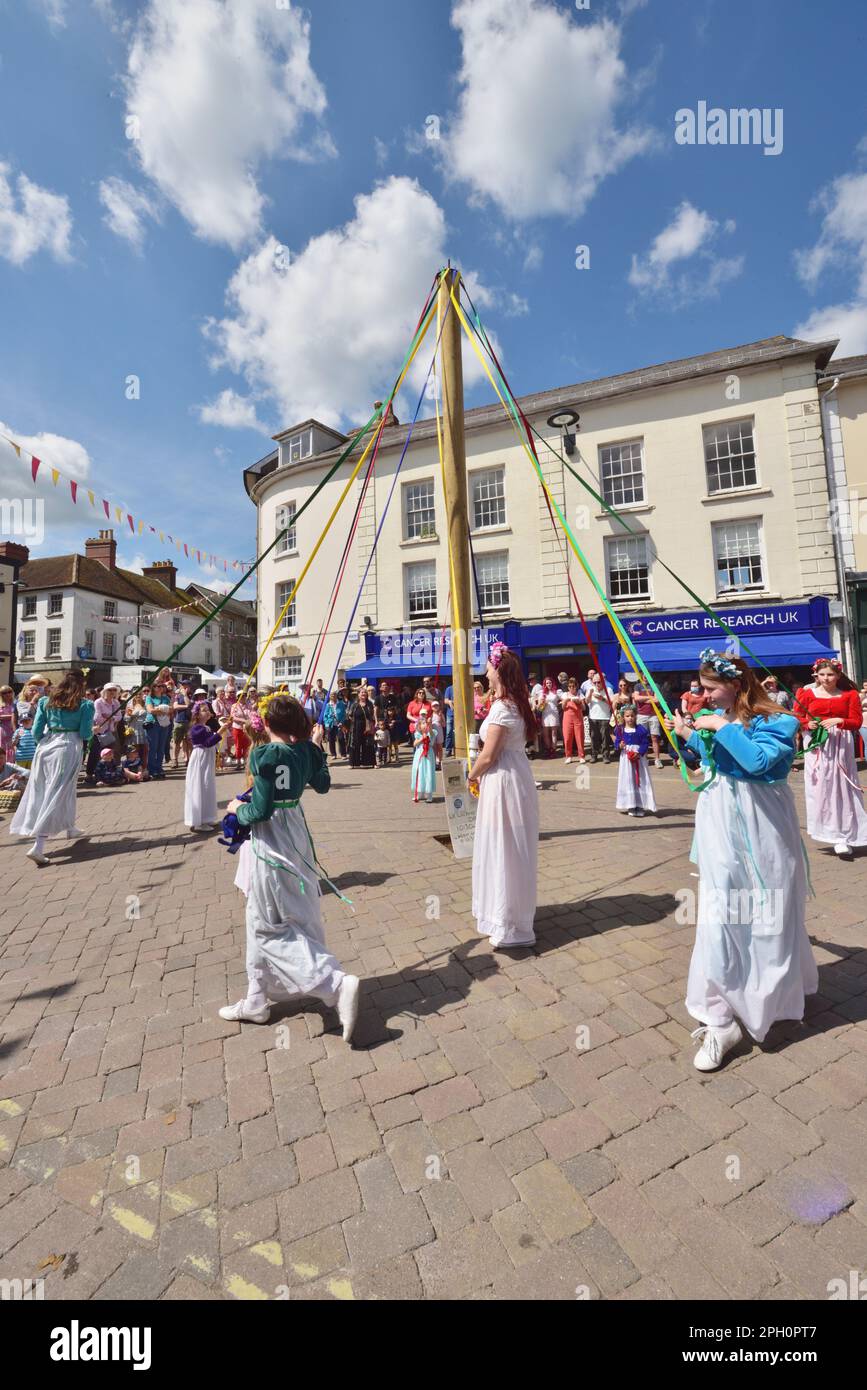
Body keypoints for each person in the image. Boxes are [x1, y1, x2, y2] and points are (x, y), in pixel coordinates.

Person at [668, 649, 817, 1071]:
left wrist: (716, 726)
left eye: (712, 688)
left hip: (763, 829)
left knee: (769, 908)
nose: (704, 695)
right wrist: (689, 737)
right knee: (721, 912)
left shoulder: (780, 720)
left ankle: (771, 996)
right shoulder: (722, 716)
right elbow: (714, 761)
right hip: (719, 826)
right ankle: (720, 1017)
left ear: (736, 684)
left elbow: (758, 762)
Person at [220, 693, 360, 1041]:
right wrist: (316, 747)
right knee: (264, 913)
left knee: (269, 922)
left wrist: (236, 808)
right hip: (296, 832)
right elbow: (324, 785)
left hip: (273, 840)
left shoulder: (265, 755)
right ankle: (256, 997)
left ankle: (334, 983)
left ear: (266, 723)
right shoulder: (305, 752)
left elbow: (261, 810)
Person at [468, 641, 539, 949]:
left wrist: (469, 775)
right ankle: (511, 916)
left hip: (502, 782)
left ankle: (508, 925)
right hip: (516, 777)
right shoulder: (516, 704)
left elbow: (489, 756)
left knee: (503, 847)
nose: (485, 672)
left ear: (498, 670)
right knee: (512, 848)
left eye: (488, 667)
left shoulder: (501, 708)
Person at [11, 670, 94, 865]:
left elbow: (37, 730)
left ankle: (70, 825)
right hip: (69, 747)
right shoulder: (85, 705)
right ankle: (38, 846)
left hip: (46, 747)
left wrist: (46, 742)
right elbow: (84, 732)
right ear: (80, 685)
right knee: (57, 792)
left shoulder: (45, 702)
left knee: (47, 789)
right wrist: (91, 733)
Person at [795, 658, 867, 859]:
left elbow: (856, 721)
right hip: (818, 746)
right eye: (822, 674)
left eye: (830, 674)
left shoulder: (849, 695)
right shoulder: (806, 694)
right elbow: (796, 716)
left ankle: (844, 835)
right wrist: (807, 724)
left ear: (838, 675)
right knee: (822, 787)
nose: (826, 678)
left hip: (840, 744)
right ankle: (829, 831)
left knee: (842, 787)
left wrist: (839, 720)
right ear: (816, 675)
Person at [185, 701, 225, 832]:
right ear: (196, 715)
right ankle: (198, 821)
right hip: (201, 760)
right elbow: (207, 743)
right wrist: (221, 732)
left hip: (206, 759)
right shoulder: (197, 728)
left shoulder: (205, 727)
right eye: (203, 710)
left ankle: (207, 817)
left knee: (207, 786)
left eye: (208, 709)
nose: (207, 711)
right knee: (200, 786)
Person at [613, 705, 656, 817]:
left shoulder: (641, 729)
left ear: (636, 716)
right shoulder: (620, 730)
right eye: (627, 716)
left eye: (632, 715)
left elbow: (645, 743)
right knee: (628, 779)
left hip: (638, 759)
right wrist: (620, 745)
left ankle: (640, 805)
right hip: (626, 759)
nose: (630, 718)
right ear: (623, 717)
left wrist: (639, 752)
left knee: (640, 780)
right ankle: (630, 804)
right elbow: (616, 742)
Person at [84, 682, 123, 783]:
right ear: (105, 691)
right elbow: (97, 717)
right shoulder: (98, 702)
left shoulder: (116, 703)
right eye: (110, 690)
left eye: (114, 690)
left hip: (111, 731)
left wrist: (110, 718)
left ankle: (108, 774)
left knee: (111, 753)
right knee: (95, 753)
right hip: (99, 731)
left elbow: (119, 717)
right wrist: (111, 718)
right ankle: (89, 774)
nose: (112, 692)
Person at [633, 679, 664, 769]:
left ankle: (657, 759)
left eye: (646, 676)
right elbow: (636, 698)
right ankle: (644, 758)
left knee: (655, 737)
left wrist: (643, 699)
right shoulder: (638, 686)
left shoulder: (655, 685)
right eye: (643, 676)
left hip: (653, 715)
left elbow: (657, 700)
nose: (645, 678)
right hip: (641, 715)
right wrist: (650, 697)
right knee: (643, 737)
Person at [145, 678, 173, 779]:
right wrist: (163, 710)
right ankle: (152, 769)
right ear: (153, 687)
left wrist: (159, 709)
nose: (161, 688)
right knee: (153, 747)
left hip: (164, 724)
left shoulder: (166, 698)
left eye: (162, 686)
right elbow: (150, 710)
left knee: (161, 747)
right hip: (153, 724)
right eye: (158, 686)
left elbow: (171, 709)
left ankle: (159, 768)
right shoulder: (149, 698)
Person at [587, 671, 615, 763]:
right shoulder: (590, 689)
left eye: (598, 682)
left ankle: (605, 756)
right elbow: (586, 702)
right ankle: (594, 755)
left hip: (604, 717)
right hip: (593, 717)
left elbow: (612, 703)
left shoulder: (608, 690)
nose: (596, 684)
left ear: (603, 681)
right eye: (594, 682)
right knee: (593, 737)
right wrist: (590, 694)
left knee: (605, 738)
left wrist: (602, 699)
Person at [411, 711, 437, 802]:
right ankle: (420, 793)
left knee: (428, 772)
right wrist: (421, 739)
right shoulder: (418, 734)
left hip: (428, 755)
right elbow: (414, 744)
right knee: (419, 772)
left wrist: (429, 725)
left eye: (425, 723)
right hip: (419, 755)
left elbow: (432, 734)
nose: (424, 725)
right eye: (422, 723)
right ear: (419, 726)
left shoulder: (432, 732)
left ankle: (429, 794)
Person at [559, 678, 585, 763]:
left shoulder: (580, 694)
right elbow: (563, 708)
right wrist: (565, 701)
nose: (571, 688)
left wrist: (579, 702)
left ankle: (581, 756)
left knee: (579, 737)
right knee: (567, 737)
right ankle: (568, 756)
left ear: (576, 686)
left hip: (578, 718)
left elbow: (584, 708)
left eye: (573, 686)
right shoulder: (565, 694)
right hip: (567, 718)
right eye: (570, 686)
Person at [171, 680, 194, 768]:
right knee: (177, 742)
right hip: (179, 721)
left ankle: (189, 760)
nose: (183, 687)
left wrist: (185, 695)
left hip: (189, 722)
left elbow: (189, 703)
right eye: (182, 685)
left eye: (185, 685)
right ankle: (175, 760)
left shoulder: (192, 695)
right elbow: (175, 706)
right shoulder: (178, 696)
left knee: (189, 742)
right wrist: (186, 706)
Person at [537, 677, 561, 758]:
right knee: (546, 734)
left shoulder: (557, 692)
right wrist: (542, 702)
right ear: (545, 684)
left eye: (550, 683)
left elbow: (563, 699)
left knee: (554, 733)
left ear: (552, 683)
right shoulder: (542, 693)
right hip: (545, 713)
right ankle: (548, 749)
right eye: (547, 683)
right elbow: (539, 708)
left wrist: (559, 704)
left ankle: (553, 750)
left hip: (554, 712)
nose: (548, 684)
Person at [322, 691, 347, 760]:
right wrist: (326, 723)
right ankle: (333, 754)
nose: (333, 696)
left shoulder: (341, 704)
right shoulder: (328, 705)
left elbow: (344, 715)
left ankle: (343, 754)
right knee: (331, 739)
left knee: (341, 738)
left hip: (339, 724)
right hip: (330, 724)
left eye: (334, 695)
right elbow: (325, 716)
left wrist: (341, 722)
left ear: (337, 696)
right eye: (332, 695)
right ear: (330, 696)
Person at [0, 685, 16, 764]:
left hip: (13, 729)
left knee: (12, 747)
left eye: (9, 692)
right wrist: (12, 715)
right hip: (3, 730)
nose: (7, 694)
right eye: (4, 692)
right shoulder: (0, 704)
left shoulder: (16, 703)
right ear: (1, 694)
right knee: (3, 747)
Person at [443, 681, 455, 756]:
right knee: (449, 732)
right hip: (450, 714)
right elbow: (445, 700)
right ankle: (448, 749)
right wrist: (450, 702)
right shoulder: (449, 688)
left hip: (461, 714)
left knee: (458, 733)